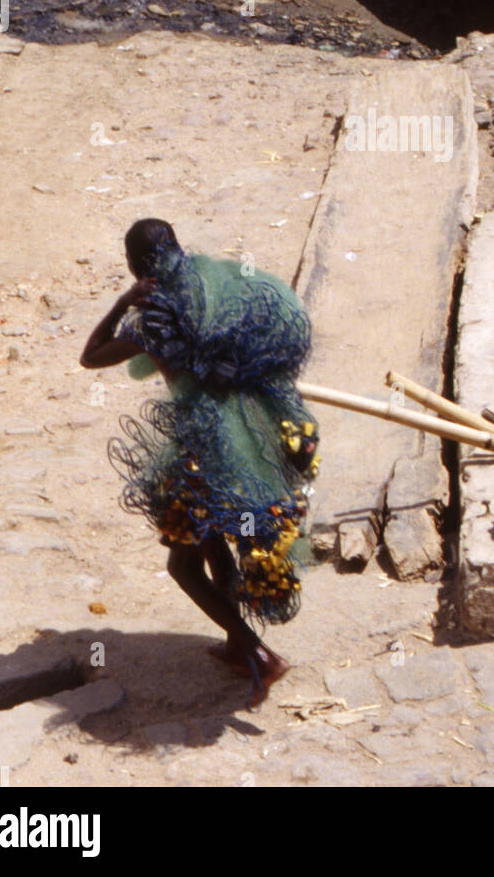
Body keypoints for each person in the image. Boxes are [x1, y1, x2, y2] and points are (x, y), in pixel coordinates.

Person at [80, 218, 319, 705]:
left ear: (136, 266)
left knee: (184, 567)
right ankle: (236, 643)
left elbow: (92, 355)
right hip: (253, 438)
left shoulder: (154, 318)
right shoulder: (217, 296)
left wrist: (124, 301)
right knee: (217, 547)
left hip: (201, 452)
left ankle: (260, 655)